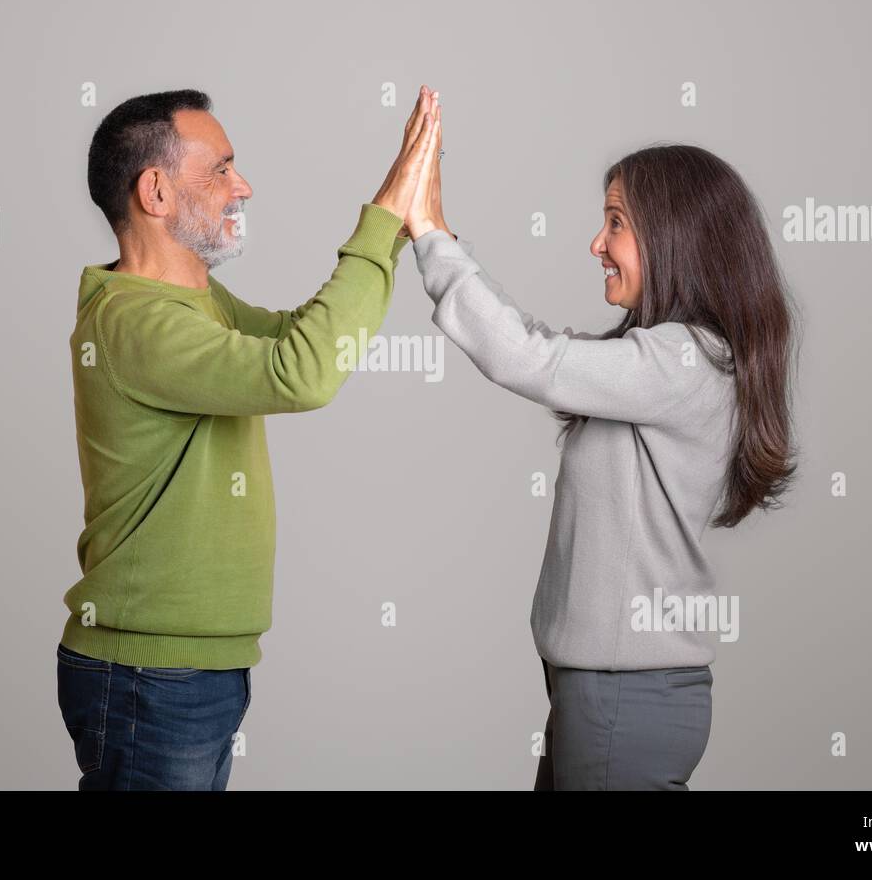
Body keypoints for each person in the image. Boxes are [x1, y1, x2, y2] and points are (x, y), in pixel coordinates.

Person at [402, 90, 801, 789]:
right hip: (607, 695)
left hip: (624, 698)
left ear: (675, 238)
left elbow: (528, 358)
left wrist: (429, 233)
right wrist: (441, 237)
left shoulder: (684, 359)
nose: (597, 244)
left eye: (615, 223)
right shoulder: (668, 361)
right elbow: (539, 344)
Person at [55, 87, 439, 790]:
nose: (243, 187)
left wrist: (399, 230)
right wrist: (382, 216)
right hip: (150, 675)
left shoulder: (196, 304)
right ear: (157, 191)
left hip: (185, 670)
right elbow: (303, 375)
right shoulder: (135, 324)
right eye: (221, 169)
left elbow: (305, 337)